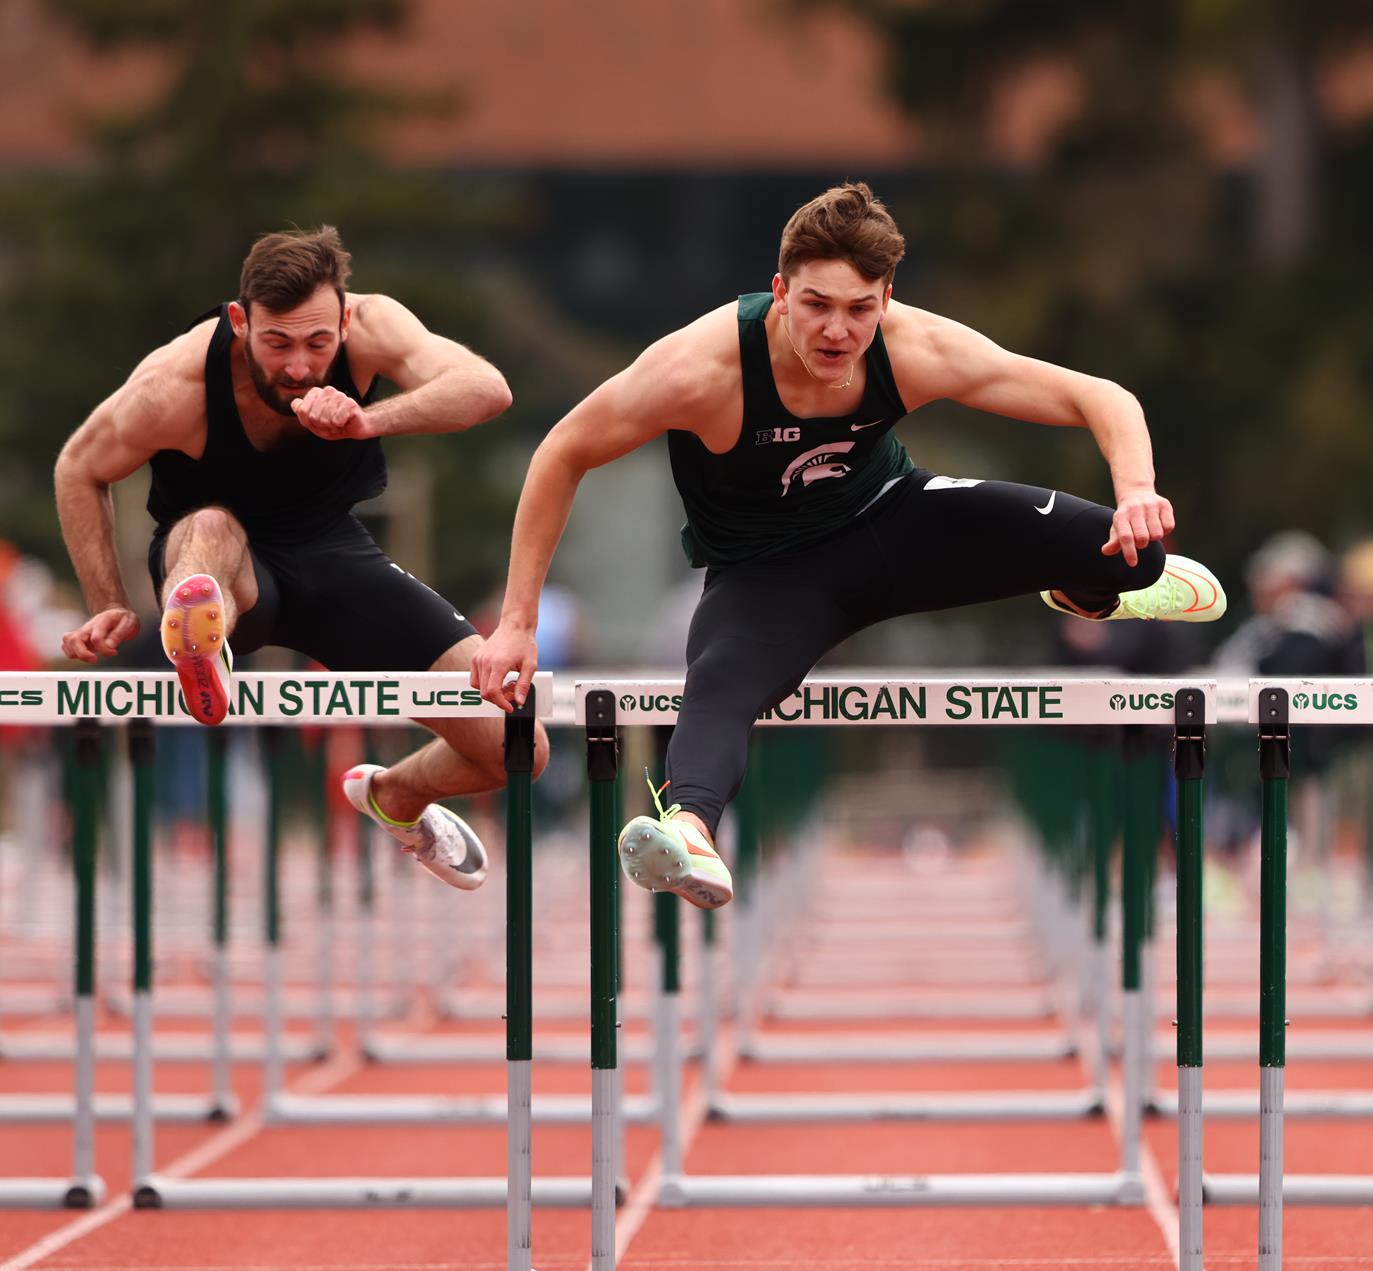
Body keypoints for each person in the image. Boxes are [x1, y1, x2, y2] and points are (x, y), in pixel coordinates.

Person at [472, 182, 1225, 909]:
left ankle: (1085, 589)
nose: (838, 332)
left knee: (1140, 555)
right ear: (779, 290)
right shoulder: (699, 369)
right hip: (770, 575)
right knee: (720, 682)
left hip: (895, 525)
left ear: (887, 301)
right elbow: (561, 452)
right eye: (818, 306)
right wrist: (517, 622)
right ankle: (692, 831)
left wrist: (1135, 491)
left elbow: (1100, 396)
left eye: (860, 310)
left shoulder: (913, 346)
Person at [51, 226, 546, 890]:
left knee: (518, 746)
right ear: (239, 320)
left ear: (344, 319)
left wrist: (368, 421)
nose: (297, 366)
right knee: (213, 528)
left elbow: (486, 389)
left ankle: (395, 796)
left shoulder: (371, 324)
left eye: (318, 344)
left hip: (332, 557)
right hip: (224, 564)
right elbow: (78, 468)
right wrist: (107, 600)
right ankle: (203, 635)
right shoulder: (175, 383)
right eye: (275, 343)